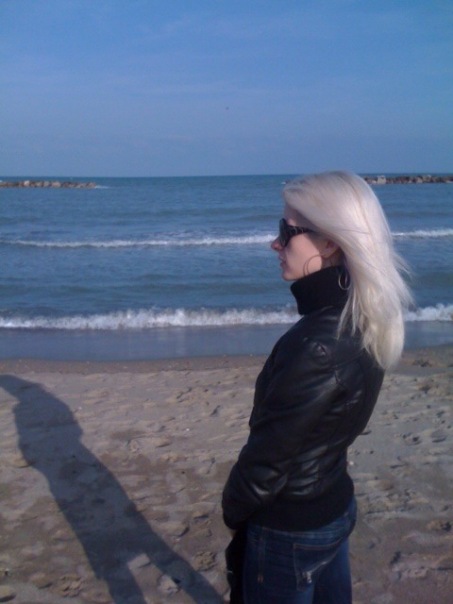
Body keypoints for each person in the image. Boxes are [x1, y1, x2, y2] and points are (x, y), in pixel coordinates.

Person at [222, 171, 412, 604]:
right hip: (334, 503)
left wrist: (233, 511)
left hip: (291, 528)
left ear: (328, 243)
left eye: (286, 231)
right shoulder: (366, 317)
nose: (274, 244)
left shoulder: (316, 346)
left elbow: (265, 464)